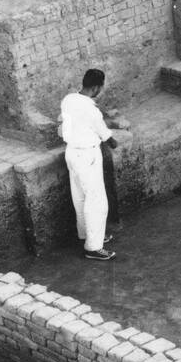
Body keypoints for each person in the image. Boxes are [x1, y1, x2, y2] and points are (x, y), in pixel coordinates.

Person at [59, 69, 118, 261]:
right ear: (95, 87)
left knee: (80, 197)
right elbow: (105, 134)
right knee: (97, 201)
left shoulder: (68, 99)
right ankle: (93, 247)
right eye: (100, 87)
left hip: (71, 153)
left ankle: (87, 235)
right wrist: (113, 141)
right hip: (87, 155)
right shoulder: (91, 110)